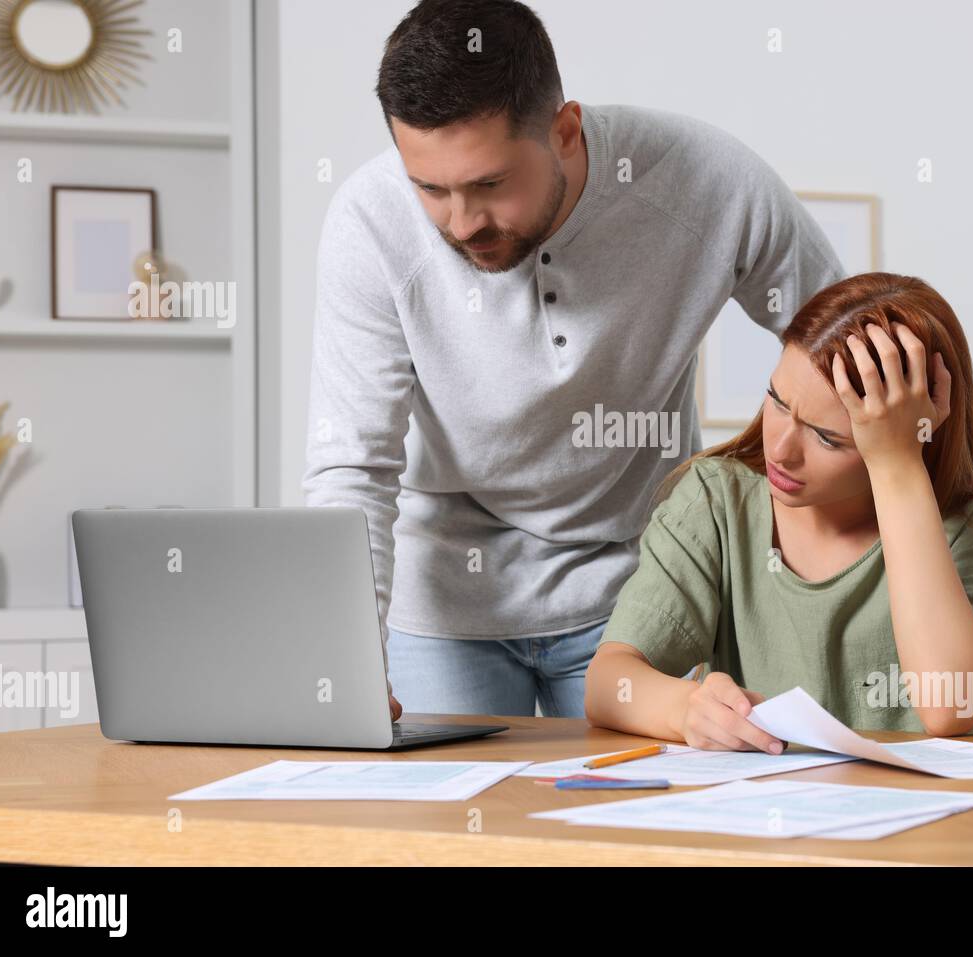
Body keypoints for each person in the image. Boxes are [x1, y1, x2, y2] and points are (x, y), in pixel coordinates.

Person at [301, 0, 844, 719]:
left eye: (490, 184)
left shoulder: (706, 183)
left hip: (639, 595)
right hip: (449, 604)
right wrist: (343, 668)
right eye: (431, 188)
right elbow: (353, 469)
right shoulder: (369, 222)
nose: (461, 223)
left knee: (644, 824)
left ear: (564, 130)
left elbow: (843, 346)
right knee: (445, 830)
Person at [584, 272, 973, 748]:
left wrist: (897, 466)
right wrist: (686, 709)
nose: (781, 450)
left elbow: (951, 707)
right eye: (778, 402)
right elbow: (607, 686)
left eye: (828, 438)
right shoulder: (715, 502)